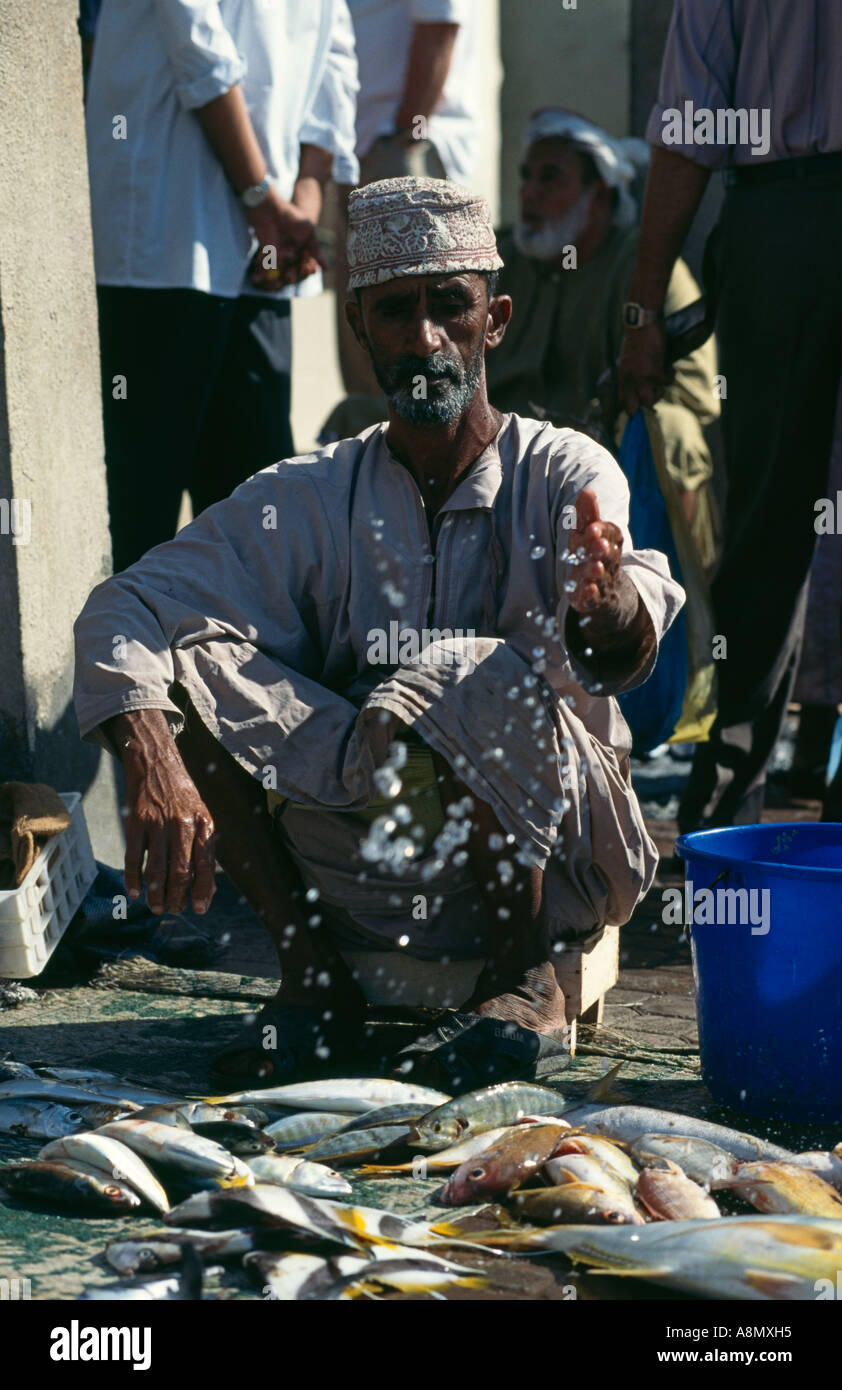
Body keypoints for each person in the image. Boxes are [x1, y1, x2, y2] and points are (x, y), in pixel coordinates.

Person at [74, 178, 683, 1091]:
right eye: (397, 312)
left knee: (468, 669)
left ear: (497, 319)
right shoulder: (309, 494)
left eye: (451, 307)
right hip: (368, 872)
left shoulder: (563, 470)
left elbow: (626, 640)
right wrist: (153, 750)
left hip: (556, 864)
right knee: (191, 658)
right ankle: (314, 976)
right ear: (360, 328)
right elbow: (125, 604)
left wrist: (606, 612)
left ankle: (521, 981)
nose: (425, 338)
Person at [618, 0, 842, 831]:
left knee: (767, 523)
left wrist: (644, 313)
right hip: (776, 226)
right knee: (771, 523)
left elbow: (686, 124)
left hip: (777, 224)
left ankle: (727, 802)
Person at [86, 0, 358, 571]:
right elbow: (196, 42)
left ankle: (238, 660)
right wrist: (266, 202)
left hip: (264, 245)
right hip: (167, 235)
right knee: (142, 505)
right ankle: (128, 658)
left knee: (256, 510)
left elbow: (335, 56)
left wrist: (301, 206)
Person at [486, 109, 720, 576]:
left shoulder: (645, 269)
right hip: (499, 455)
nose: (529, 193)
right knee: (358, 418)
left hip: (605, 462)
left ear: (598, 195)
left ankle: (670, 614)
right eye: (526, 177)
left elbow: (699, 393)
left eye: (550, 179)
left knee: (674, 433)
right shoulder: (497, 259)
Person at [330, 0, 481, 401]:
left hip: (394, 153)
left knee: (421, 349)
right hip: (364, 151)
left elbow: (439, 23)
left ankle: (422, 462)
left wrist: (403, 138)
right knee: (371, 344)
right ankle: (380, 460)